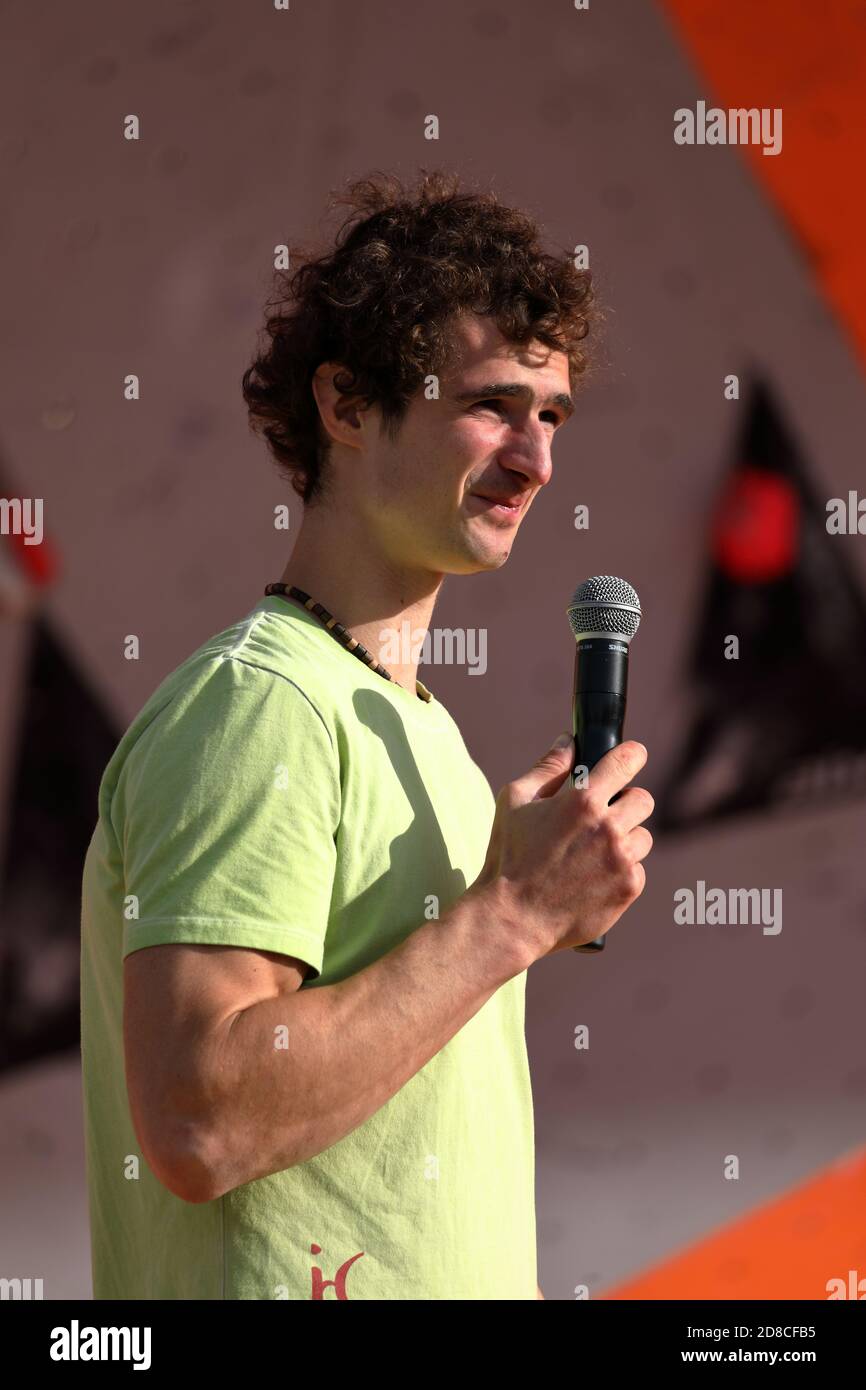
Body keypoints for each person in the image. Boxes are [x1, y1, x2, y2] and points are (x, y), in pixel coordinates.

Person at [79, 169, 654, 1300]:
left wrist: (516, 904)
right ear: (345, 406)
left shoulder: (421, 729)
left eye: (551, 418)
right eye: (490, 405)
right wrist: (515, 915)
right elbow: (199, 1121)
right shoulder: (259, 703)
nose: (535, 459)